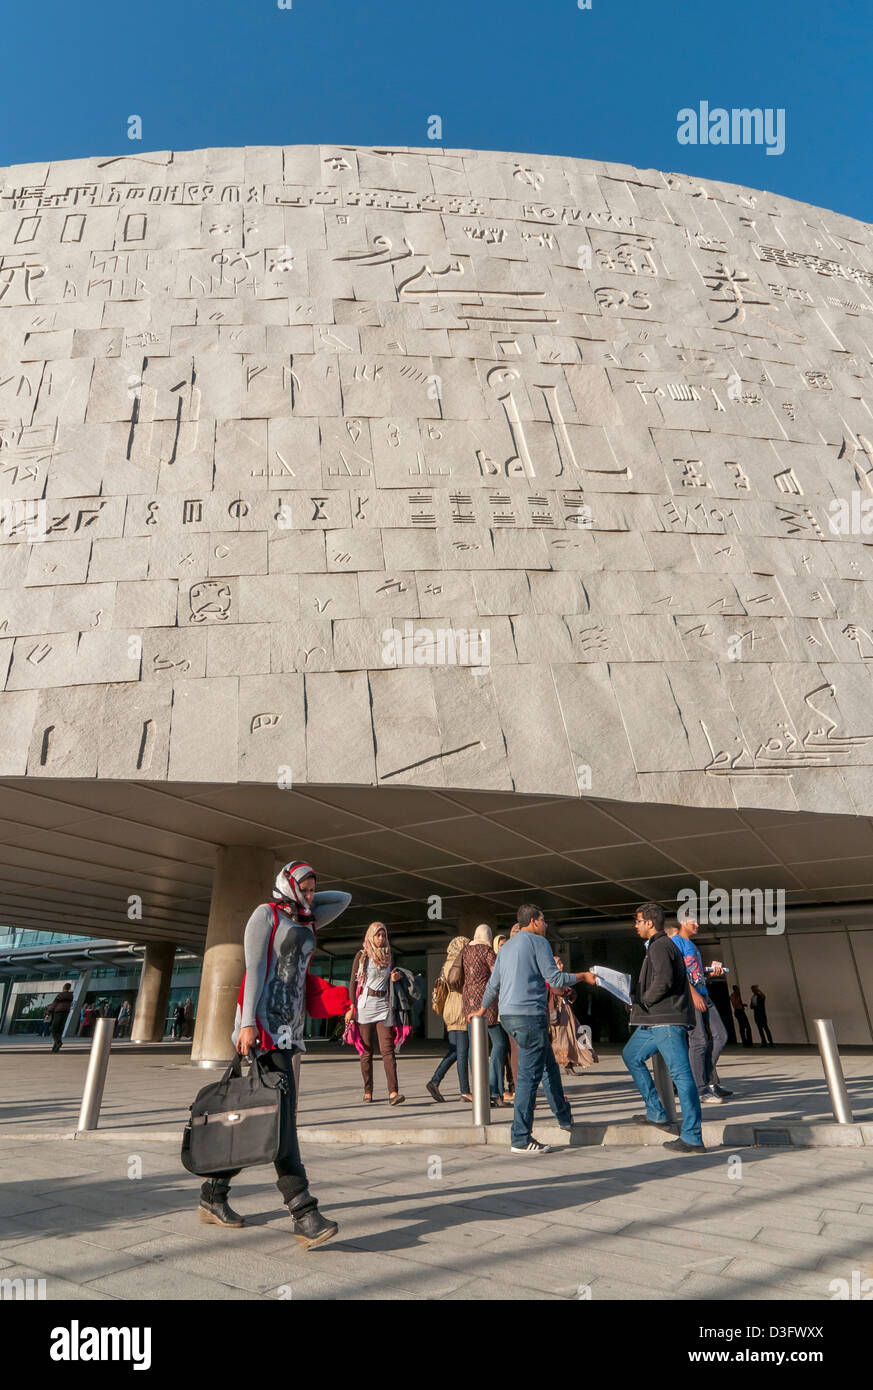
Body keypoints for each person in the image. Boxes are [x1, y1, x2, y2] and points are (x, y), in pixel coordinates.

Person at [196, 859, 351, 1247]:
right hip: (264, 1030)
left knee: (260, 1118)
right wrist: (247, 1023)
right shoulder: (265, 916)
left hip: (293, 1031)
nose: (314, 896)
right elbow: (256, 969)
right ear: (287, 885)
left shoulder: (305, 920)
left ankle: (213, 1195)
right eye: (307, 889)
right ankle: (304, 1212)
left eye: (315, 890)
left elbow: (343, 900)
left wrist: (305, 897)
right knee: (281, 1121)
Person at [471, 905, 596, 1155]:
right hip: (529, 1017)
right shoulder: (539, 943)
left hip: (508, 1016)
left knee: (549, 1066)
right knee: (528, 1078)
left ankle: (564, 1118)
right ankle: (520, 1137)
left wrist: (482, 1011)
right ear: (534, 921)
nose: (546, 924)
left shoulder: (506, 948)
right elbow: (556, 979)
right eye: (543, 919)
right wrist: (584, 975)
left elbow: (493, 984)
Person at [622, 903, 704, 1153]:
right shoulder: (657, 946)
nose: (635, 926)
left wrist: (642, 1000)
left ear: (649, 923)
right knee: (631, 1055)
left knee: (681, 1074)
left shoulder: (659, 945)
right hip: (653, 1020)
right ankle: (656, 1112)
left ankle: (692, 1136)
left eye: (637, 921)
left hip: (666, 1020)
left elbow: (664, 980)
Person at [345, 922, 415, 1104]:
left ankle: (393, 1092)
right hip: (364, 1007)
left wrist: (395, 977)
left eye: (384, 935)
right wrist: (352, 1006)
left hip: (384, 1006)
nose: (381, 939)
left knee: (387, 1050)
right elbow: (353, 983)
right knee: (366, 1052)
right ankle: (368, 1091)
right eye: (378, 935)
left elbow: (391, 977)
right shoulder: (362, 956)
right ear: (371, 936)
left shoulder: (388, 956)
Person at [666, 917, 731, 1105]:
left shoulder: (692, 945)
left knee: (721, 1036)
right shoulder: (675, 942)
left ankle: (707, 1079)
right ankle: (700, 1089)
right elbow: (676, 973)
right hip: (690, 997)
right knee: (699, 1040)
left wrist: (710, 972)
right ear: (682, 923)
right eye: (692, 921)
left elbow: (694, 972)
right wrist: (693, 993)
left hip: (704, 994)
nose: (697, 925)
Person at [457, 924, 508, 1107]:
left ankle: (479, 1090)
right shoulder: (487, 950)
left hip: (468, 1001)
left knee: (474, 1046)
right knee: (499, 1043)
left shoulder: (465, 951)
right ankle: (495, 1090)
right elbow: (497, 975)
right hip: (486, 1003)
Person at [427, 936, 471, 1102]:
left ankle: (435, 1081)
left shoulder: (446, 964)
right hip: (460, 1008)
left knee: (455, 1051)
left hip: (449, 1010)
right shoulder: (461, 964)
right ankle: (465, 1091)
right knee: (462, 1052)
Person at [548, 956, 587, 1074]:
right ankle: (564, 1064)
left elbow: (571, 994)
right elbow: (557, 991)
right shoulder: (552, 977)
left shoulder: (562, 977)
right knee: (561, 1039)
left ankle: (569, 1064)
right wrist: (567, 991)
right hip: (557, 1011)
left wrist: (569, 992)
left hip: (566, 1010)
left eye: (561, 963)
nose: (561, 966)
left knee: (573, 1037)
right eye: (558, 964)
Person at [47, 983, 74, 1053]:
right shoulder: (71, 995)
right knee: (60, 1029)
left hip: (59, 1012)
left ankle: (58, 1042)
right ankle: (55, 1048)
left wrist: (49, 1011)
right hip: (66, 1012)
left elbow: (55, 1003)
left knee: (53, 1028)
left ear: (64, 987)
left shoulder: (61, 995)